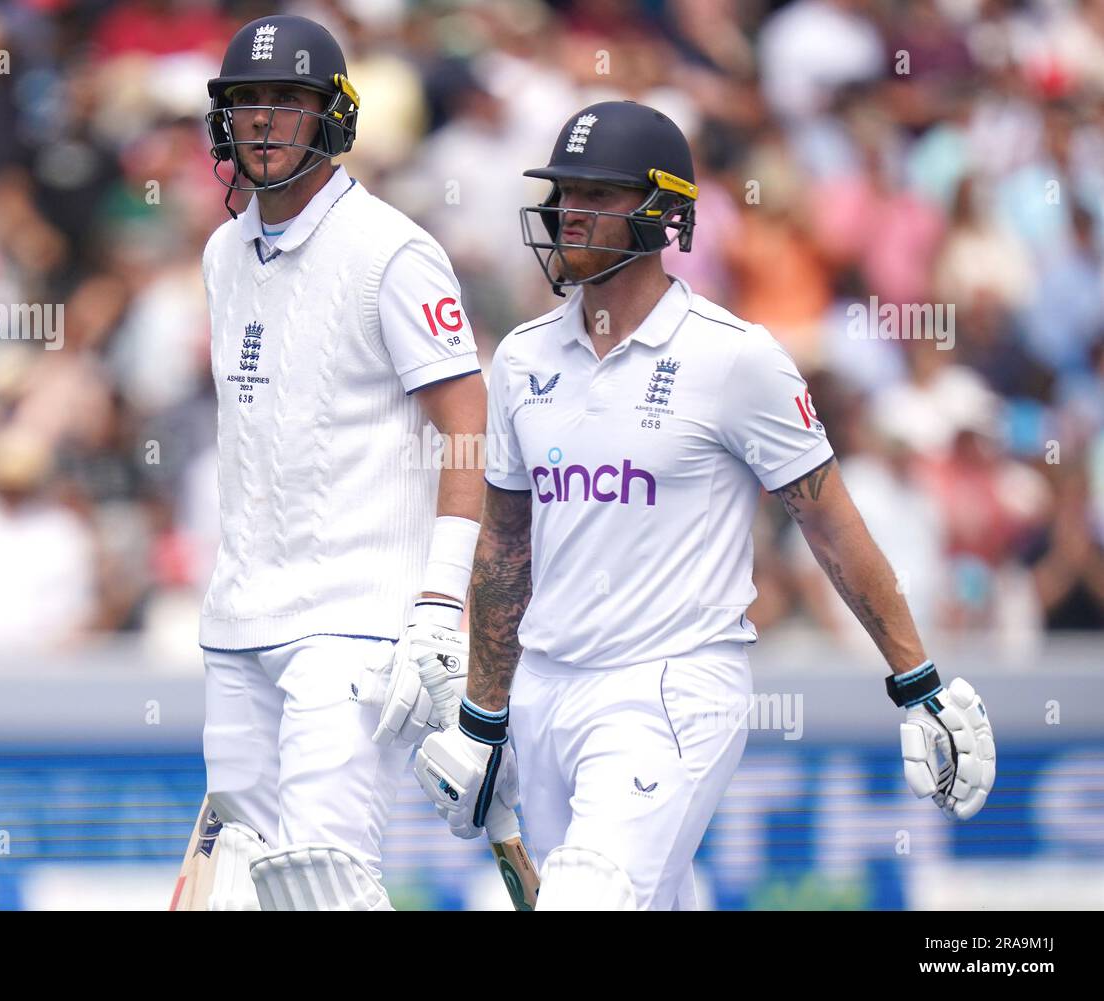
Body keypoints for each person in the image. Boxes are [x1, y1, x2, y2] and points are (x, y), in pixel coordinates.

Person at [413, 101, 997, 910]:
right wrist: (483, 713)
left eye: (597, 195)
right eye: (563, 193)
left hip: (670, 687)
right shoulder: (520, 357)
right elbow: (507, 545)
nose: (568, 214)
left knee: (586, 896)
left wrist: (917, 679)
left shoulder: (736, 359)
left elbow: (828, 520)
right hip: (546, 690)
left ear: (663, 214)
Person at [184, 14, 492, 911]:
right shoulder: (221, 252)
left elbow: (467, 421)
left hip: (355, 619)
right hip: (239, 620)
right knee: (241, 886)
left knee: (321, 881)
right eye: (248, 101)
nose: (267, 121)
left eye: (290, 101)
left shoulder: (391, 251)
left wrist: (441, 600)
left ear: (333, 117)